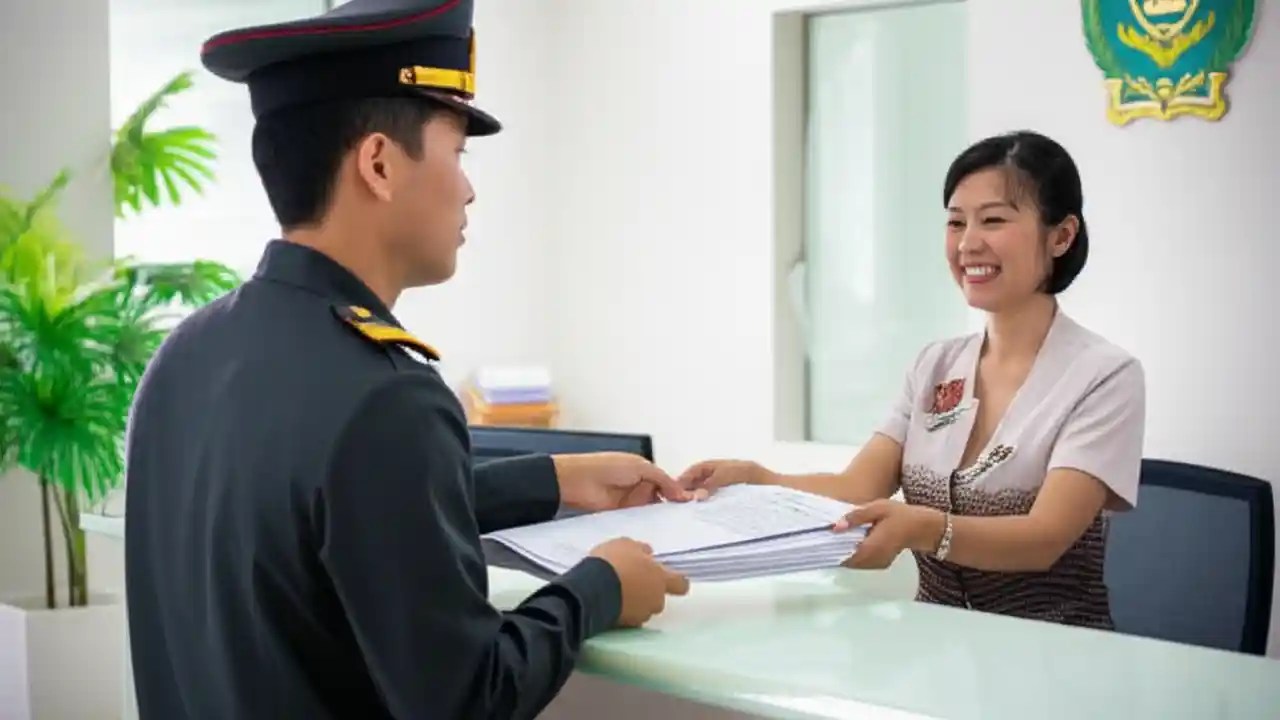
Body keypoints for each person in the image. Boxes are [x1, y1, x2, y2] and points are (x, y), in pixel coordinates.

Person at [123, 1, 691, 718]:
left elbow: (328, 518)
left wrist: (550, 481)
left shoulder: (187, 354)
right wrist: (600, 587)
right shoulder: (385, 395)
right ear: (381, 164)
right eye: (457, 153)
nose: (468, 187)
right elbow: (467, 699)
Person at [681, 130, 1145, 630]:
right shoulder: (935, 366)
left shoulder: (1104, 376)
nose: (968, 243)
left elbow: (1045, 537)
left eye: (993, 220)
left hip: (1058, 655)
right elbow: (857, 487)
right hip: (937, 647)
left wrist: (922, 528)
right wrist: (757, 478)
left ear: (1061, 236)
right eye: (955, 222)